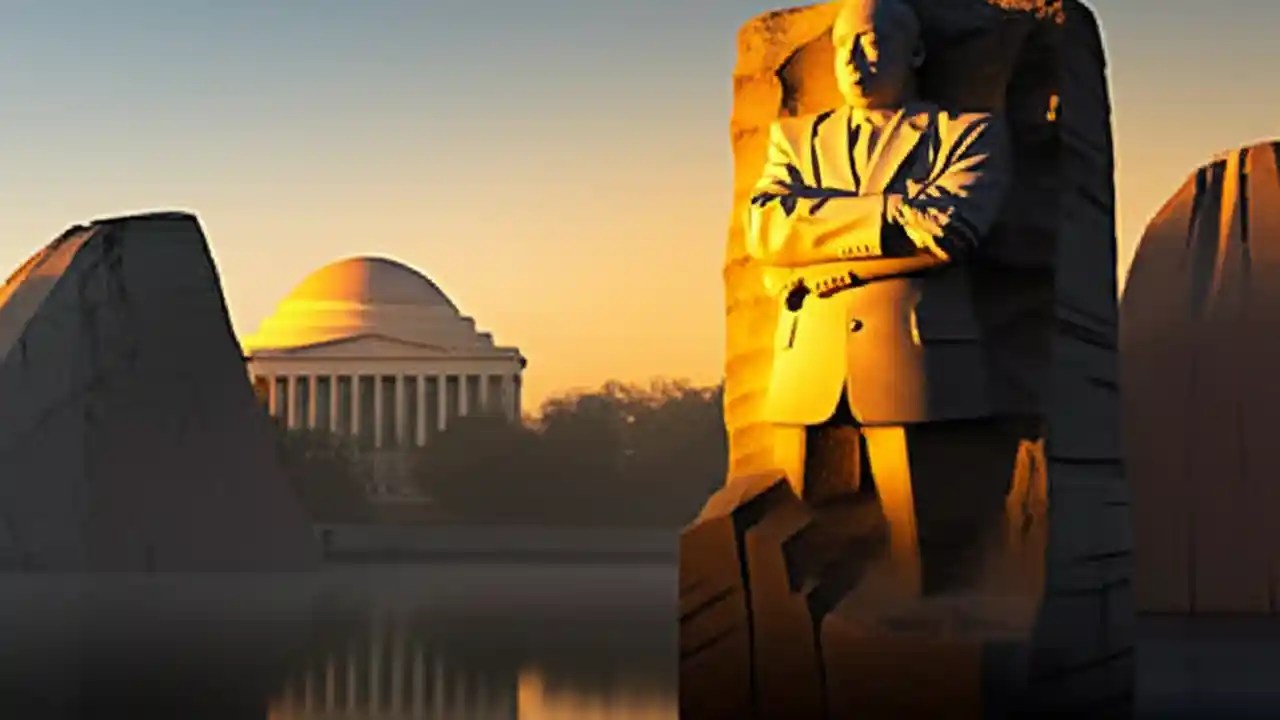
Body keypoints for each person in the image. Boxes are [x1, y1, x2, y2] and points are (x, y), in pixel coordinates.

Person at [744, 0, 1021, 596]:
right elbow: (767, 231)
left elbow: (953, 231)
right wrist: (898, 213)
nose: (854, 60)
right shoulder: (795, 140)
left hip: (915, 357)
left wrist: (829, 257)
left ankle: (920, 643)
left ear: (916, 52)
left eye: (872, 43)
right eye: (843, 47)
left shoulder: (966, 133)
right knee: (797, 539)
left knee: (922, 544)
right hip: (809, 362)